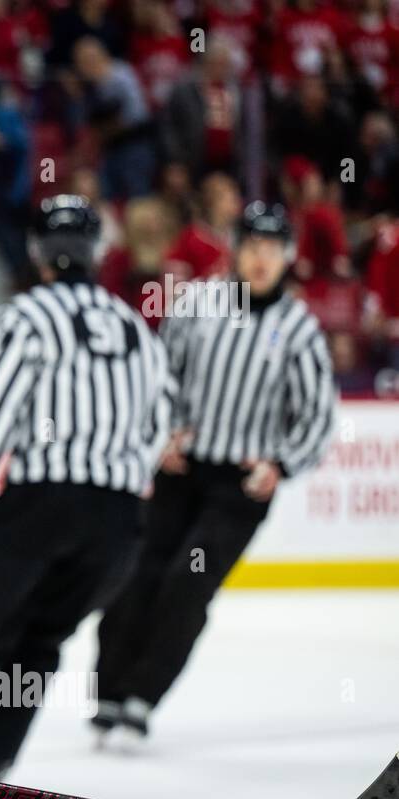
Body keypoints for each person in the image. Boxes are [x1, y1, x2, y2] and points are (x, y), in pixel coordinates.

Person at [0, 195, 173, 781]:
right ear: (100, 251)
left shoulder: (25, 317)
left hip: (40, 505)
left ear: (36, 252)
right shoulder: (137, 329)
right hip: (117, 523)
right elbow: (161, 425)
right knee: (39, 645)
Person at [93, 202, 337, 745]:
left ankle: (141, 695)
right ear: (235, 248)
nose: (260, 259)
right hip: (182, 470)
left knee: (188, 582)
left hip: (239, 485)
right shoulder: (199, 304)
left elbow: (318, 413)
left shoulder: (298, 329)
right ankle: (108, 690)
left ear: (288, 257)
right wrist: (164, 434)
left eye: (272, 249)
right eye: (252, 246)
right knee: (136, 573)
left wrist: (281, 465)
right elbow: (160, 374)